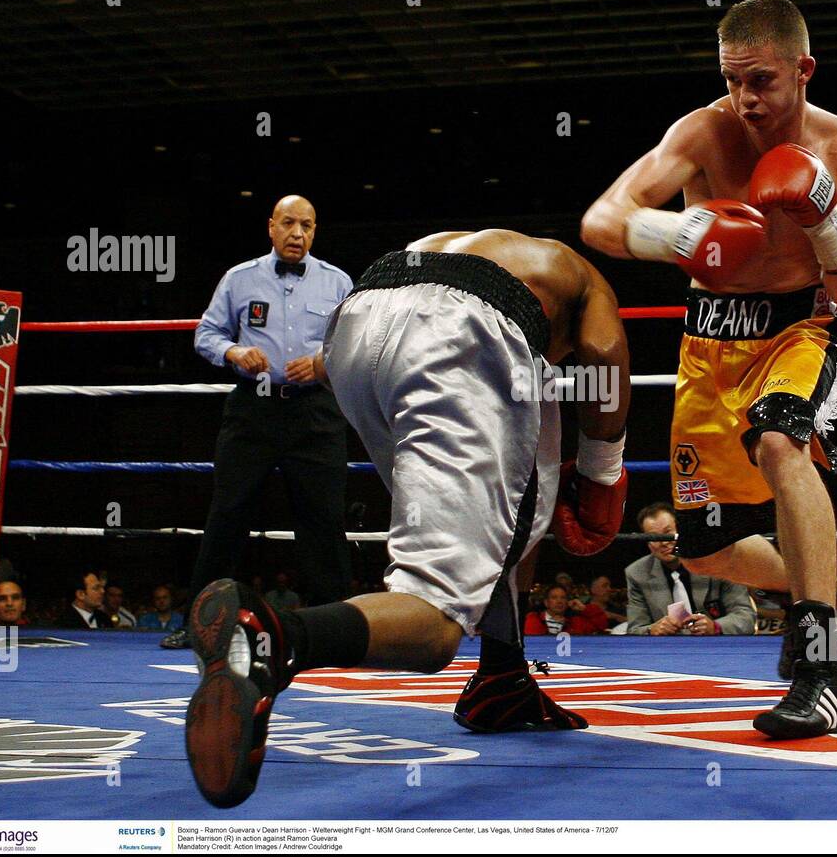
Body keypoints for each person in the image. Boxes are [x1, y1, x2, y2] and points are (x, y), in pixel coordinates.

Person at [183, 228, 631, 807]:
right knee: (437, 610)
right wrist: (602, 470)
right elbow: (602, 357)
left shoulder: (491, 254)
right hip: (458, 338)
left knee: (509, 509)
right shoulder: (588, 281)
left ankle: (503, 678)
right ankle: (274, 635)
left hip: (359, 324)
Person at [581, 0, 837, 738]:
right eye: (732, 80)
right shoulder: (703, 132)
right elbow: (601, 219)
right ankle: (820, 584)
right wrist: (681, 234)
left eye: (762, 81)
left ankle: (821, 673)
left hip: (800, 330)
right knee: (707, 549)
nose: (744, 98)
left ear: (803, 69)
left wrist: (825, 222)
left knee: (782, 442)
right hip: (708, 345)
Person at [162, 195, 354, 650]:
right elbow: (206, 334)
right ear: (271, 227)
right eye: (289, 223)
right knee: (228, 511)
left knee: (324, 517)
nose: (297, 233)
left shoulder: (338, 282)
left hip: (315, 412)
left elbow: (355, 343)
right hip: (254, 409)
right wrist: (233, 352)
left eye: (307, 225)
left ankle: (338, 629)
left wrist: (324, 361)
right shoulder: (239, 278)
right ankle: (201, 624)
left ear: (314, 231)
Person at [624, 502, 756, 635]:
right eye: (654, 537)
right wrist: (652, 630)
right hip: (669, 652)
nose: (664, 542)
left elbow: (746, 618)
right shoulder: (636, 573)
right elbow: (634, 629)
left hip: (717, 648)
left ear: (681, 529)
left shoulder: (718, 561)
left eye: (668, 532)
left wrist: (715, 627)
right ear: (647, 541)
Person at [524, 585, 609, 636]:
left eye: (563, 598)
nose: (559, 601)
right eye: (554, 598)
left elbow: (601, 625)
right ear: (546, 602)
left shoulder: (576, 622)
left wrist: (584, 609)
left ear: (567, 602)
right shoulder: (532, 619)